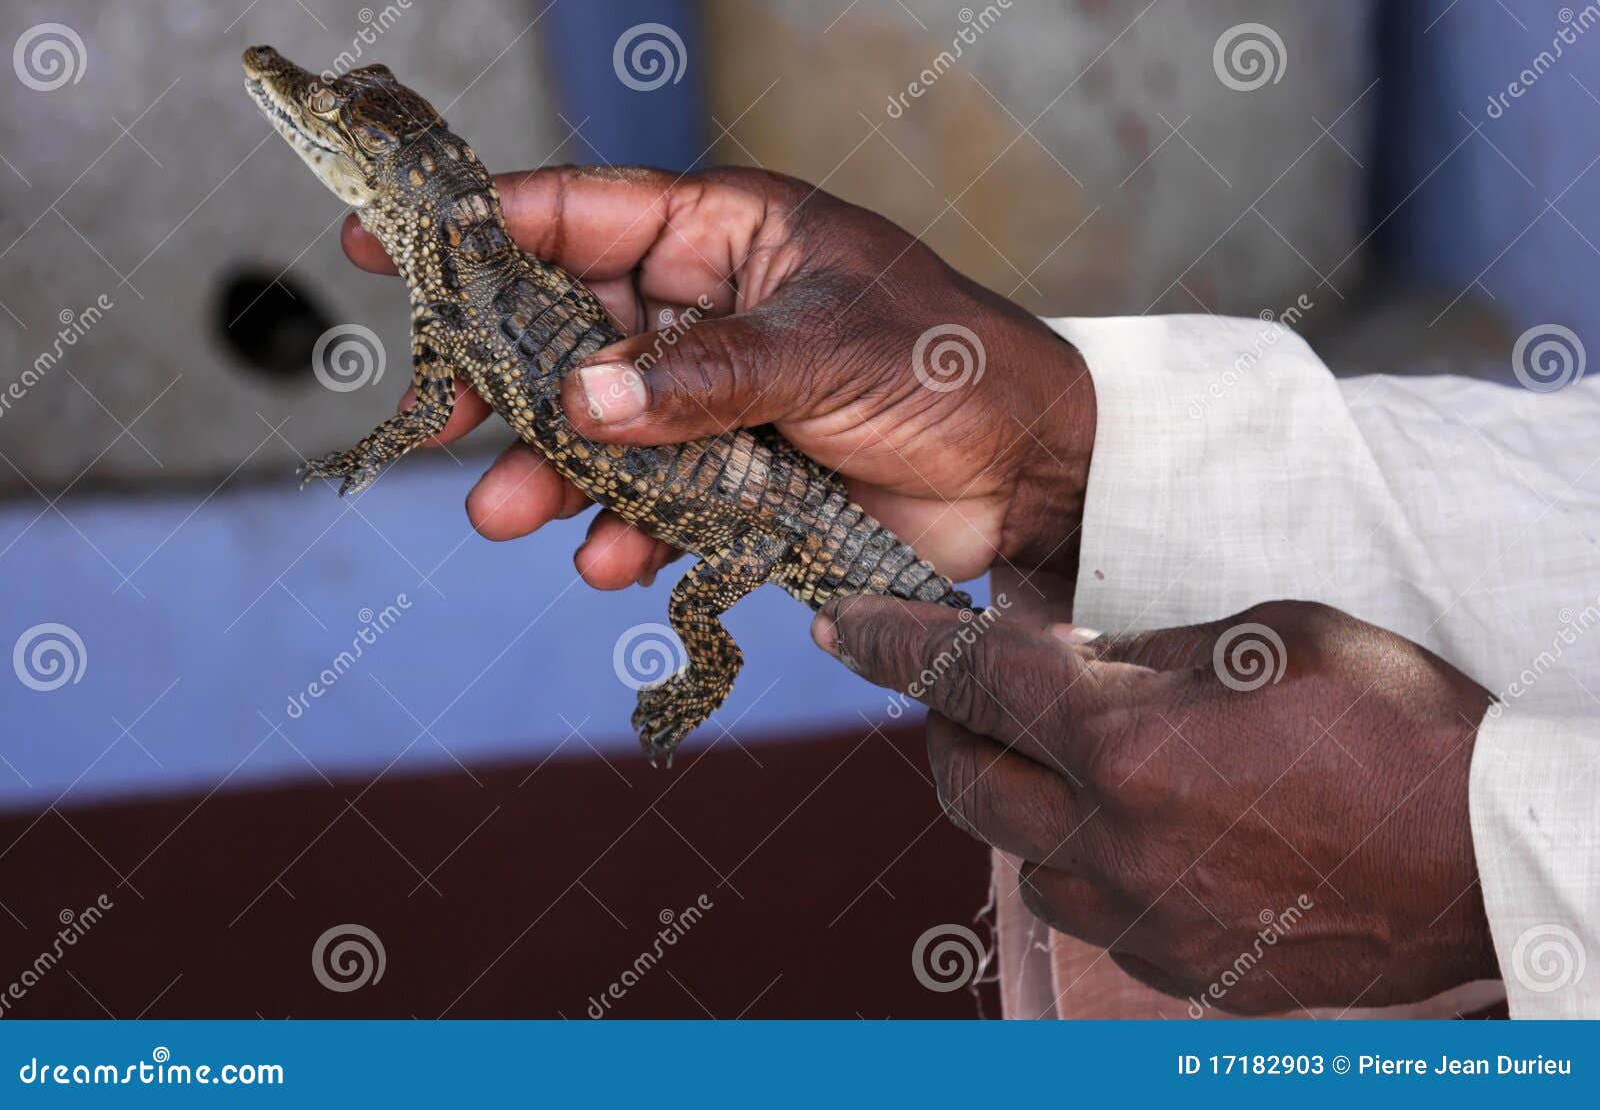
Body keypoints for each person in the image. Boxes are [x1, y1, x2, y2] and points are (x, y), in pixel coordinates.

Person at [342, 164, 1599, 1020]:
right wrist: (1055, 454)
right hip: (752, 497)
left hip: (738, 508)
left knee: (700, 604)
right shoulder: (462, 289)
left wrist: (1486, 855)